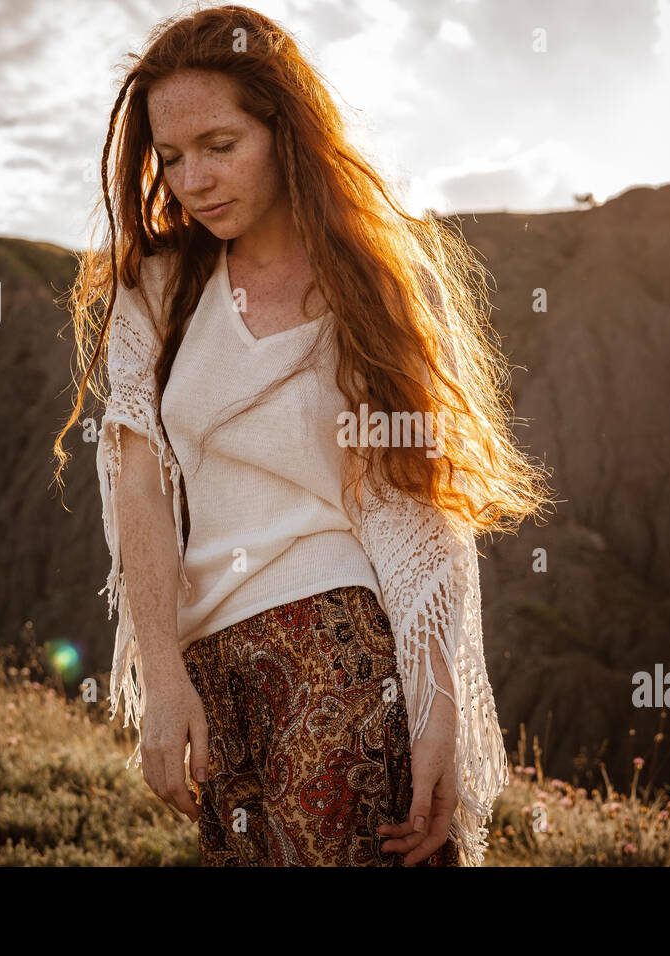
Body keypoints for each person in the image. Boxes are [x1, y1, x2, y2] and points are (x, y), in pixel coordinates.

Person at [53, 4, 554, 866]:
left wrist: (437, 713)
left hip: (345, 663)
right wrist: (164, 680)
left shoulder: (378, 286)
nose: (192, 180)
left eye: (219, 144)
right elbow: (136, 488)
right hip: (217, 671)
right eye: (169, 158)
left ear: (284, 130)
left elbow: (415, 513)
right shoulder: (158, 288)